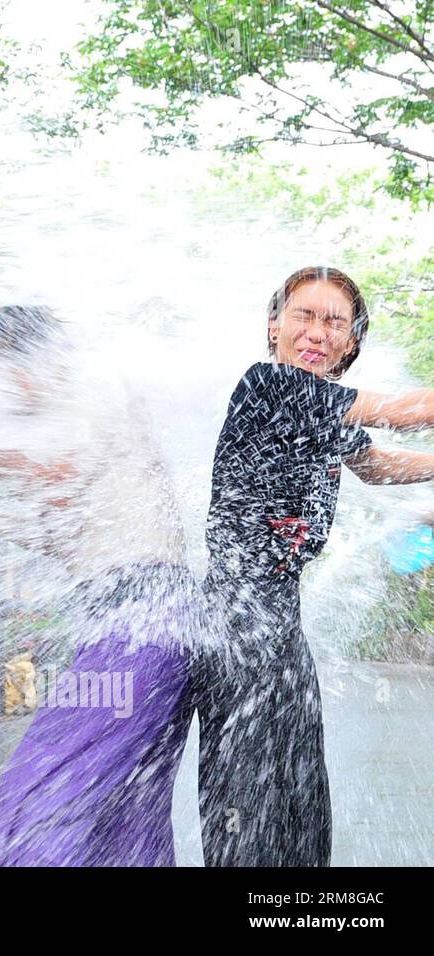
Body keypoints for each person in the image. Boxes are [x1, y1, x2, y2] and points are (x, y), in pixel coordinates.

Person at [196, 266, 434, 867]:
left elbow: (379, 466)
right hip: (235, 633)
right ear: (274, 325)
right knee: (245, 815)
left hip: (281, 630)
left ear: (351, 342)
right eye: (304, 315)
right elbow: (411, 410)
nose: (318, 332)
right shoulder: (269, 386)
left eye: (335, 322)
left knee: (300, 814)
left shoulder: (327, 415)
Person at [0, 305, 200, 866]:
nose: (6, 398)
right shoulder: (75, 407)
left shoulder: (94, 384)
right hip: (143, 623)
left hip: (139, 623)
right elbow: (66, 526)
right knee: (127, 817)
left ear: (28, 356)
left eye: (0, 379)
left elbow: (59, 482)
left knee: (37, 791)